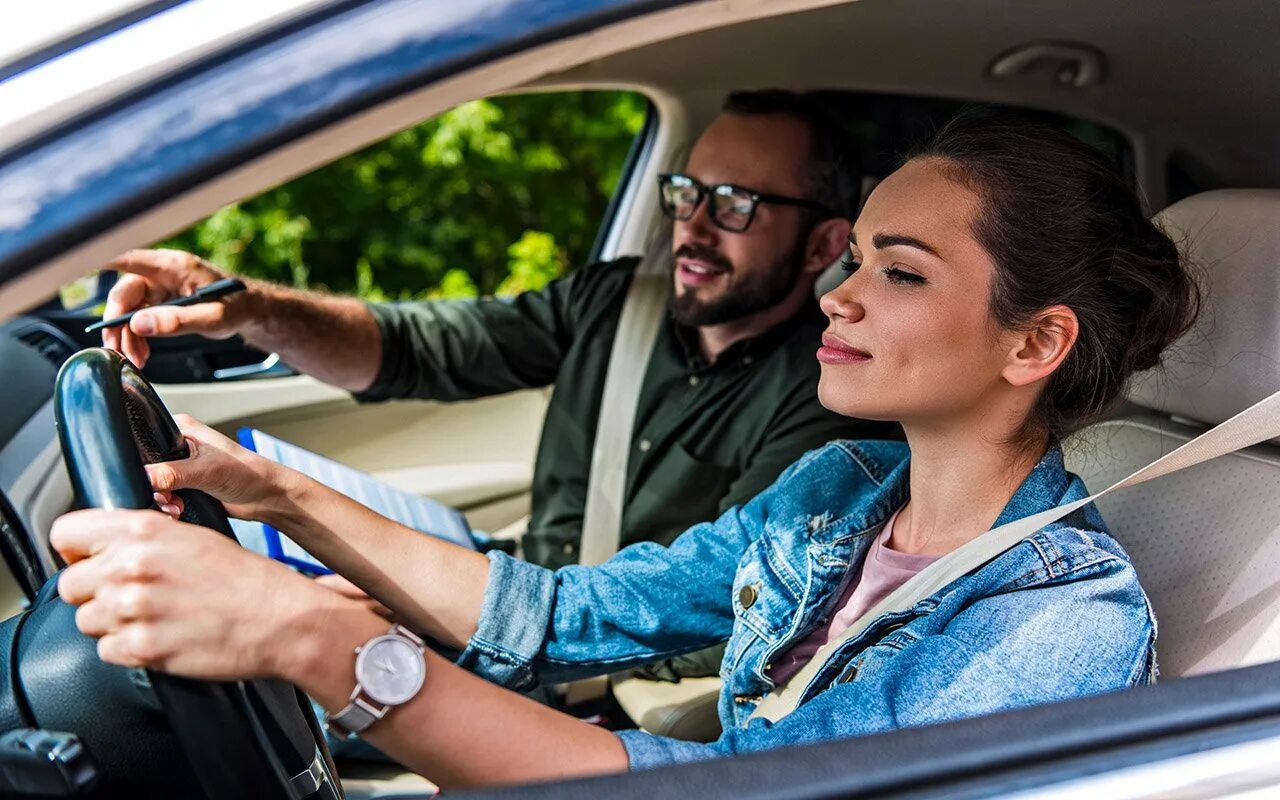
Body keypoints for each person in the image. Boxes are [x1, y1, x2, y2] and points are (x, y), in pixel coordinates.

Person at [52, 116, 1200, 789]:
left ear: (1034, 341)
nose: (838, 298)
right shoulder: (837, 494)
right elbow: (554, 613)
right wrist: (274, 493)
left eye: (897, 271)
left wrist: (311, 636)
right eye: (854, 262)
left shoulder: (1056, 627)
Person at [102, 90, 895, 580]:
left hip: (601, 668)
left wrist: (439, 615)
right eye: (686, 193)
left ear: (825, 247)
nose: (690, 228)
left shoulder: (827, 397)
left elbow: (714, 611)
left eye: (735, 206)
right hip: (520, 586)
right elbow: (416, 347)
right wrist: (253, 310)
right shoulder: (614, 302)